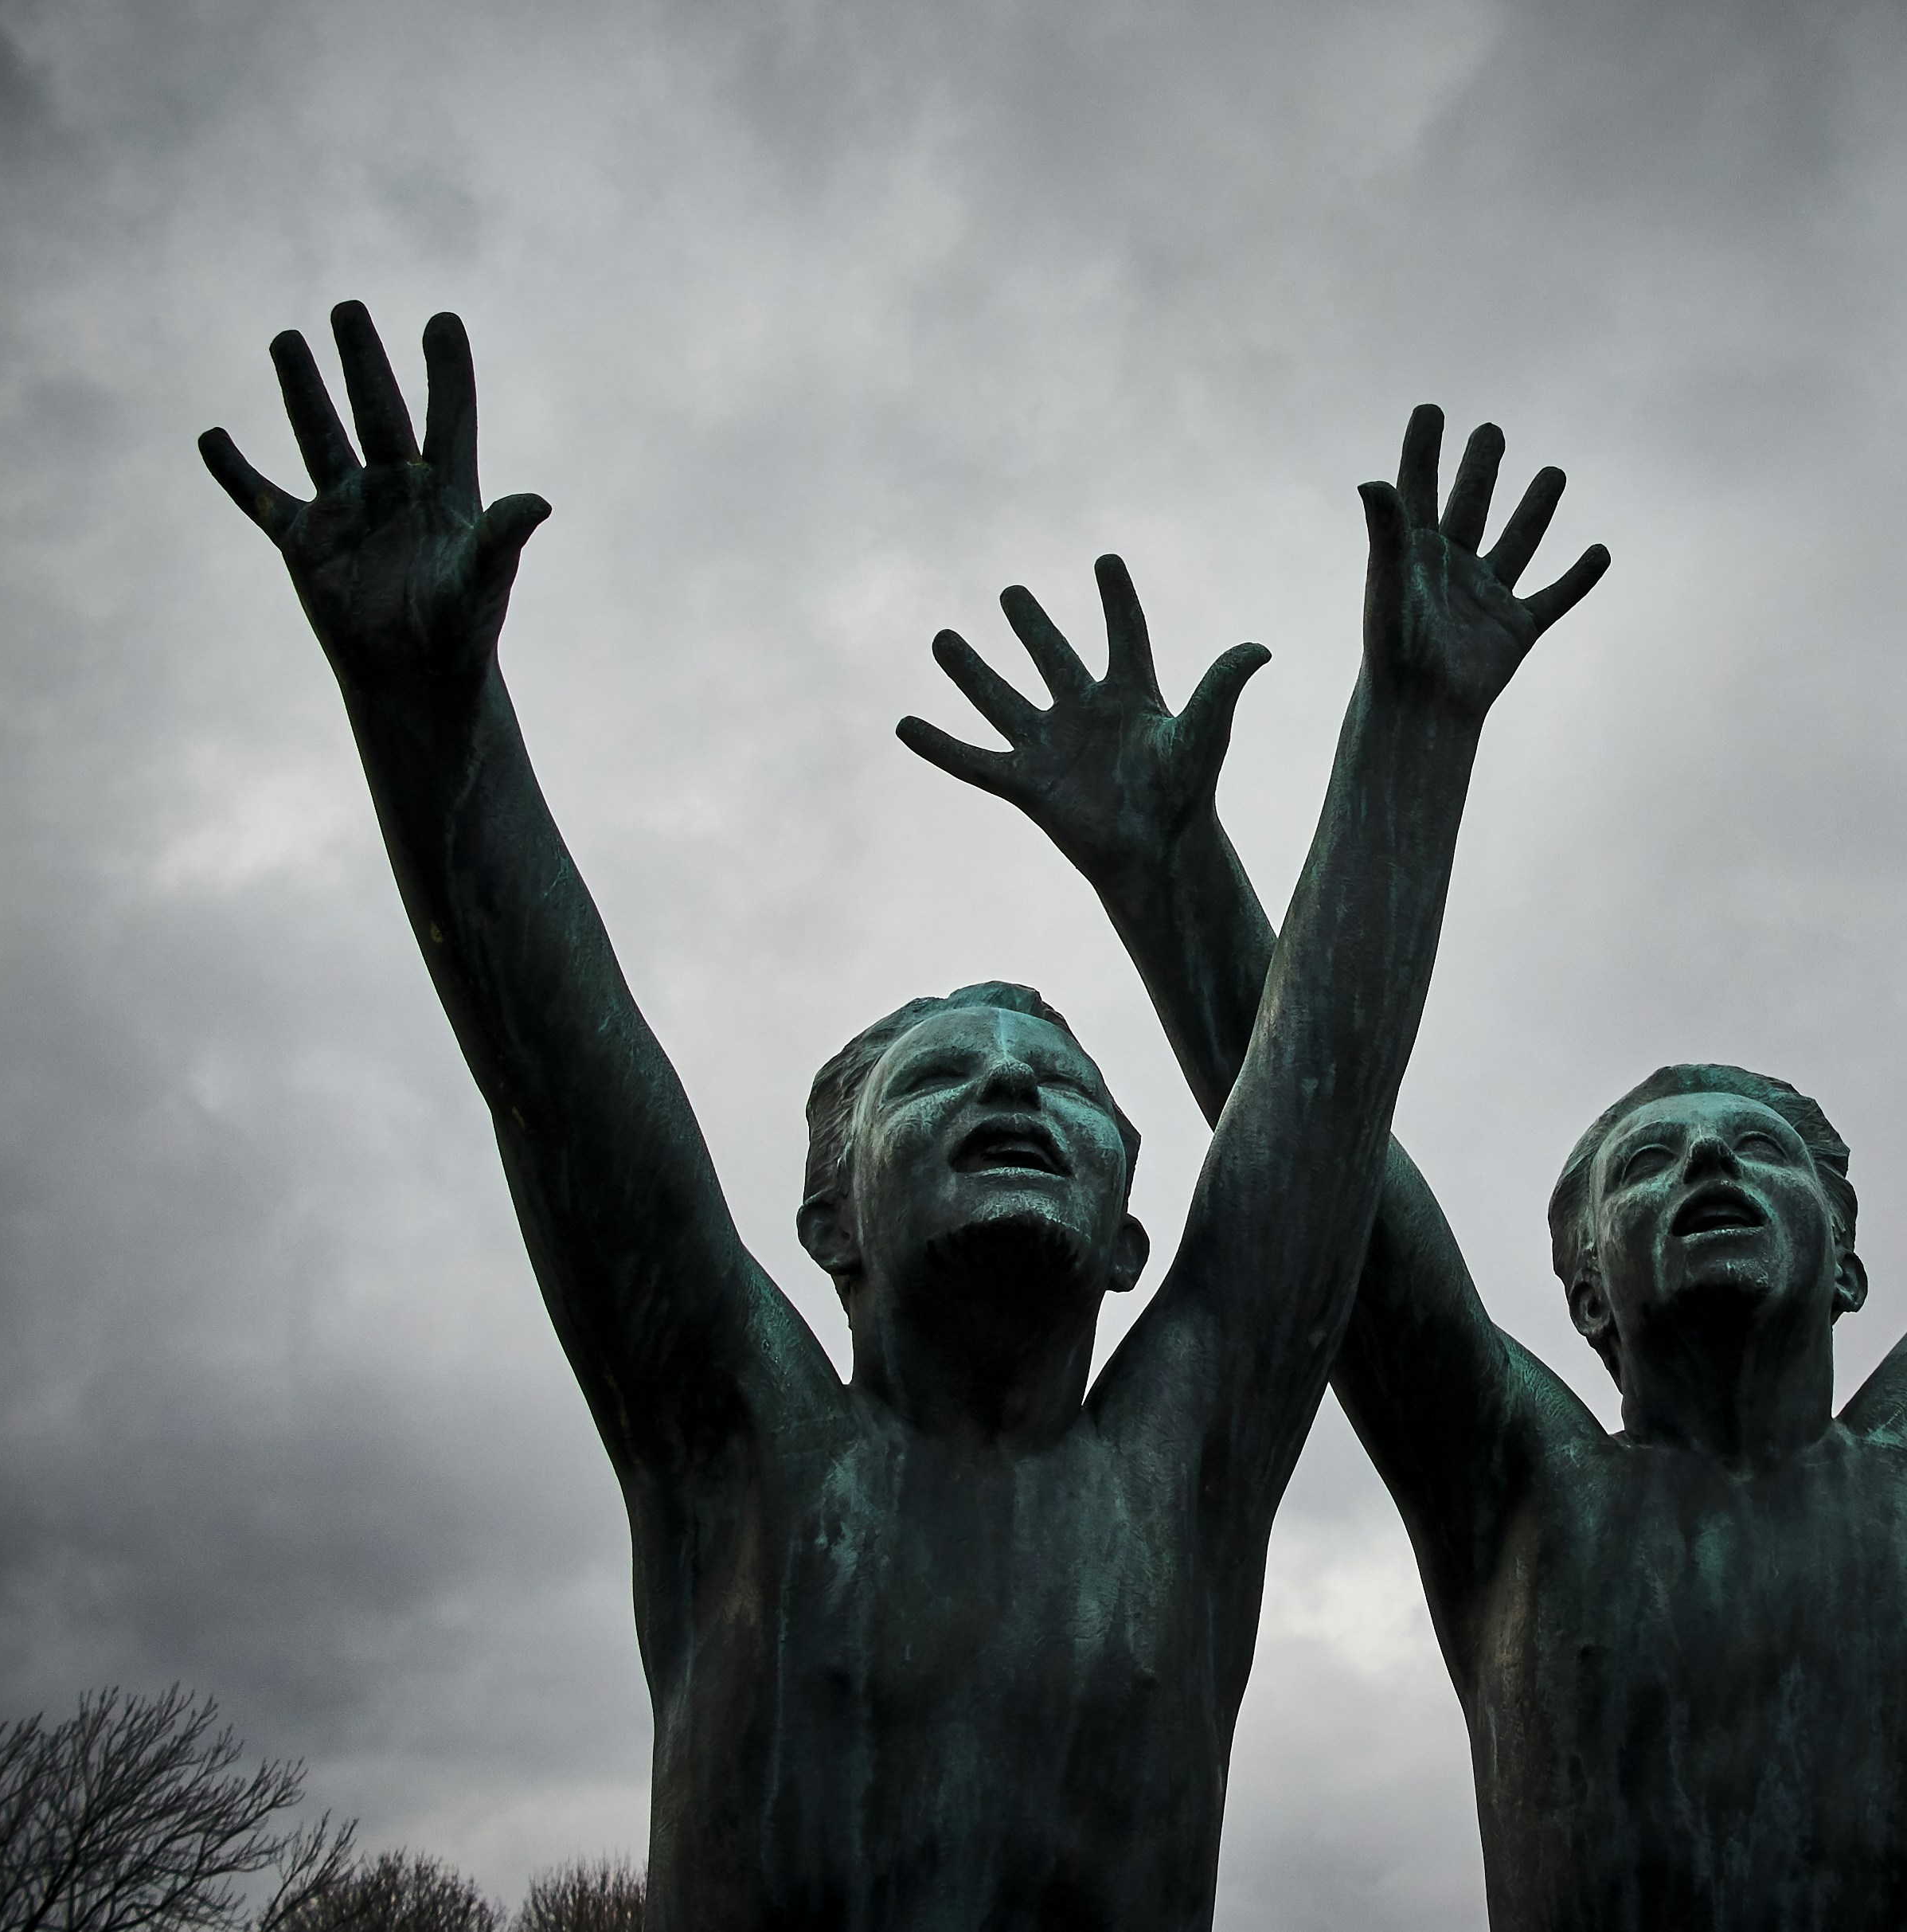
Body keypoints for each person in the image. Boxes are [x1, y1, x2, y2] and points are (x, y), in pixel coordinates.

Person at [199, 306, 1607, 1930]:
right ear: (825, 1222)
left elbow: (1323, 1093)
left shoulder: (1184, 1460)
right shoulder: (740, 1437)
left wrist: (1416, 728)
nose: (1013, 1086)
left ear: (1134, 1230)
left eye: (1068, 1089)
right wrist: (428, 716)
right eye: (940, 1078)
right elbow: (557, 1070)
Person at [912, 471, 1907, 1929]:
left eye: (1752, 1149)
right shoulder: (1516, 1484)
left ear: (1848, 1265)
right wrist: (1172, 878)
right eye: (1648, 1163)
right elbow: (1323, 1151)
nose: (1708, 1163)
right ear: (1586, 1293)